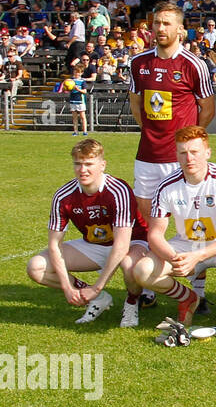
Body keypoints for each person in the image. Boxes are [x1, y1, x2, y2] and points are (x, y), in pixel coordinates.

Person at [128, 1, 215, 308]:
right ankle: (152, 283)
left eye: (167, 24)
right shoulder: (139, 63)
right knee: (152, 220)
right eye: (156, 24)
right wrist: (150, 133)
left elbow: (207, 108)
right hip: (147, 156)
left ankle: (198, 289)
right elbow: (136, 103)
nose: (160, 29)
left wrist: (187, 139)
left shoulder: (193, 64)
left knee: (191, 219)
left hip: (179, 159)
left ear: (181, 29)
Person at [132, 126, 216, 334]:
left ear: (207, 152)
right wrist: (175, 258)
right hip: (186, 244)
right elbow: (154, 234)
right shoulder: (166, 186)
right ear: (177, 155)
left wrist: (199, 255)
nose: (189, 158)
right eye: (183, 152)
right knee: (142, 270)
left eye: (195, 152)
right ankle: (188, 298)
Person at [28, 139, 149, 326]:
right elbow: (54, 245)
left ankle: (132, 303)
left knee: (129, 265)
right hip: (94, 245)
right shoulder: (63, 195)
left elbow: (122, 245)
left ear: (102, 165)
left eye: (89, 164)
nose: (82, 170)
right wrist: (68, 287)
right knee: (36, 267)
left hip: (133, 243)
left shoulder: (119, 190)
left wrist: (97, 285)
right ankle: (98, 298)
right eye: (78, 164)